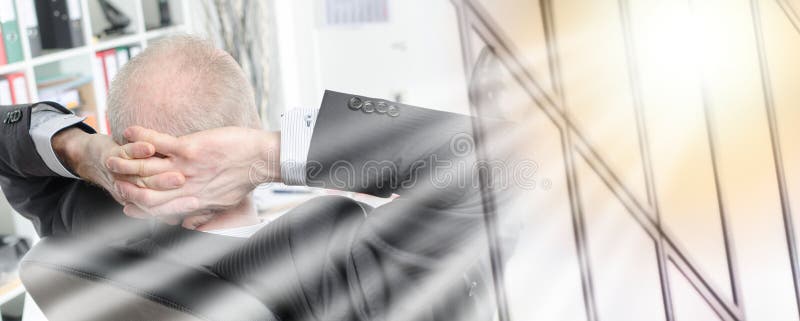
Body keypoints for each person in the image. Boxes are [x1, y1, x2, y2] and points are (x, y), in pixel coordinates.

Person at [0, 35, 517, 320]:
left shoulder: (83, 225)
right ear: (244, 130)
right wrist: (271, 154)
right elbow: (517, 165)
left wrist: (84, 151)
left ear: (121, 139)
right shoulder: (329, 260)